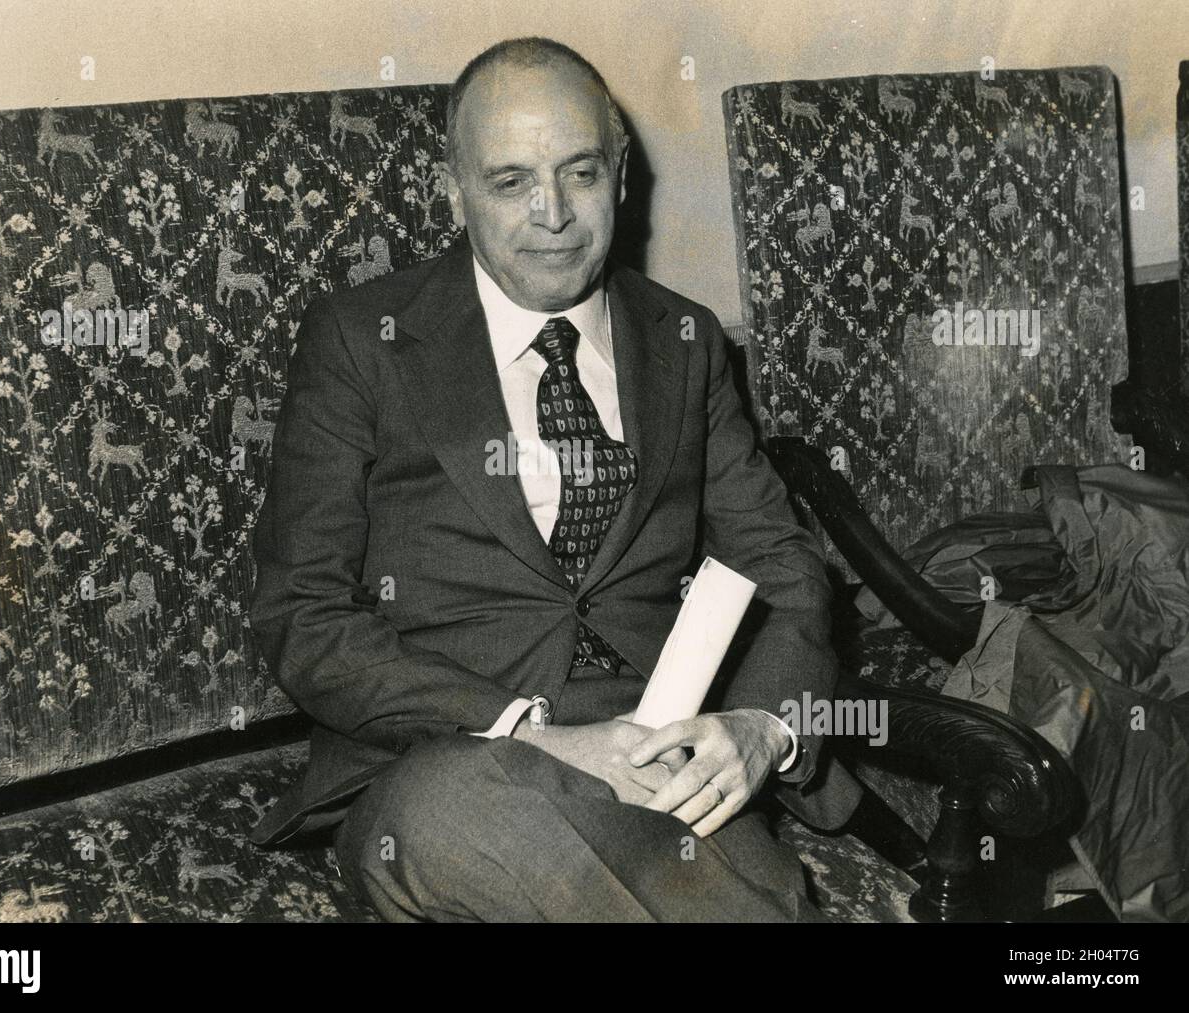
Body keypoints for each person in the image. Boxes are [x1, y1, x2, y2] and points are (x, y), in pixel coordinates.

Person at [248, 36, 862, 921]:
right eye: (509, 182)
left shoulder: (684, 342)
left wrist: (761, 727)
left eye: (579, 173)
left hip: (657, 756)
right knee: (450, 811)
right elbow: (301, 615)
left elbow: (786, 565)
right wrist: (538, 734)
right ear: (453, 187)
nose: (553, 214)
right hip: (452, 752)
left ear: (620, 176)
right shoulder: (361, 339)